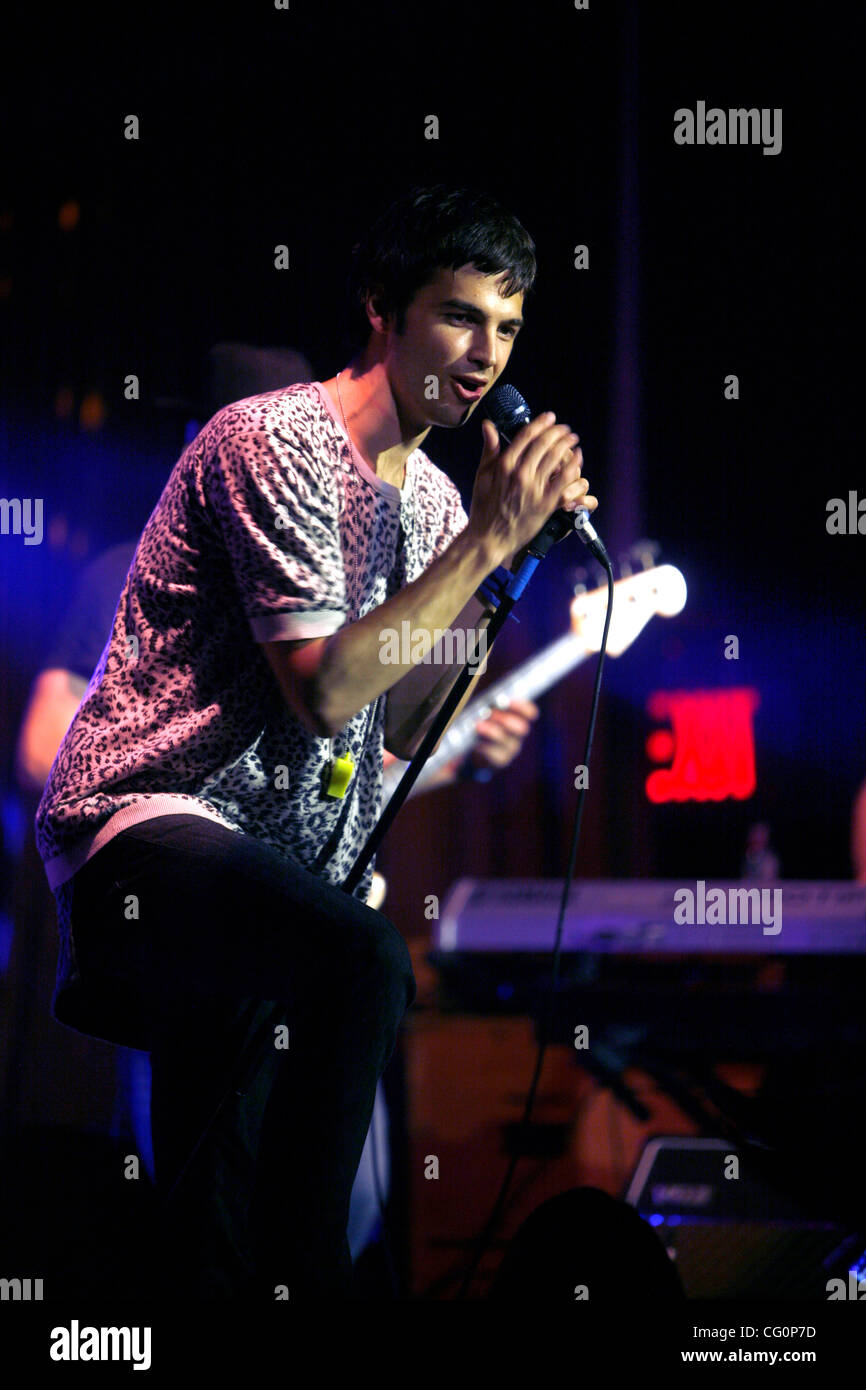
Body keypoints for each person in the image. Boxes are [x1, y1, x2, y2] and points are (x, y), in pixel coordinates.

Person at [33, 183, 596, 1299]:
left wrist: (501, 569)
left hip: (273, 882)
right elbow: (328, 691)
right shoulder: (275, 439)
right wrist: (487, 537)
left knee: (211, 1211)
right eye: (458, 315)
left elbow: (383, 744)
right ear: (383, 307)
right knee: (360, 959)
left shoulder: (437, 506)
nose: (484, 352)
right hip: (150, 827)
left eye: (507, 326)